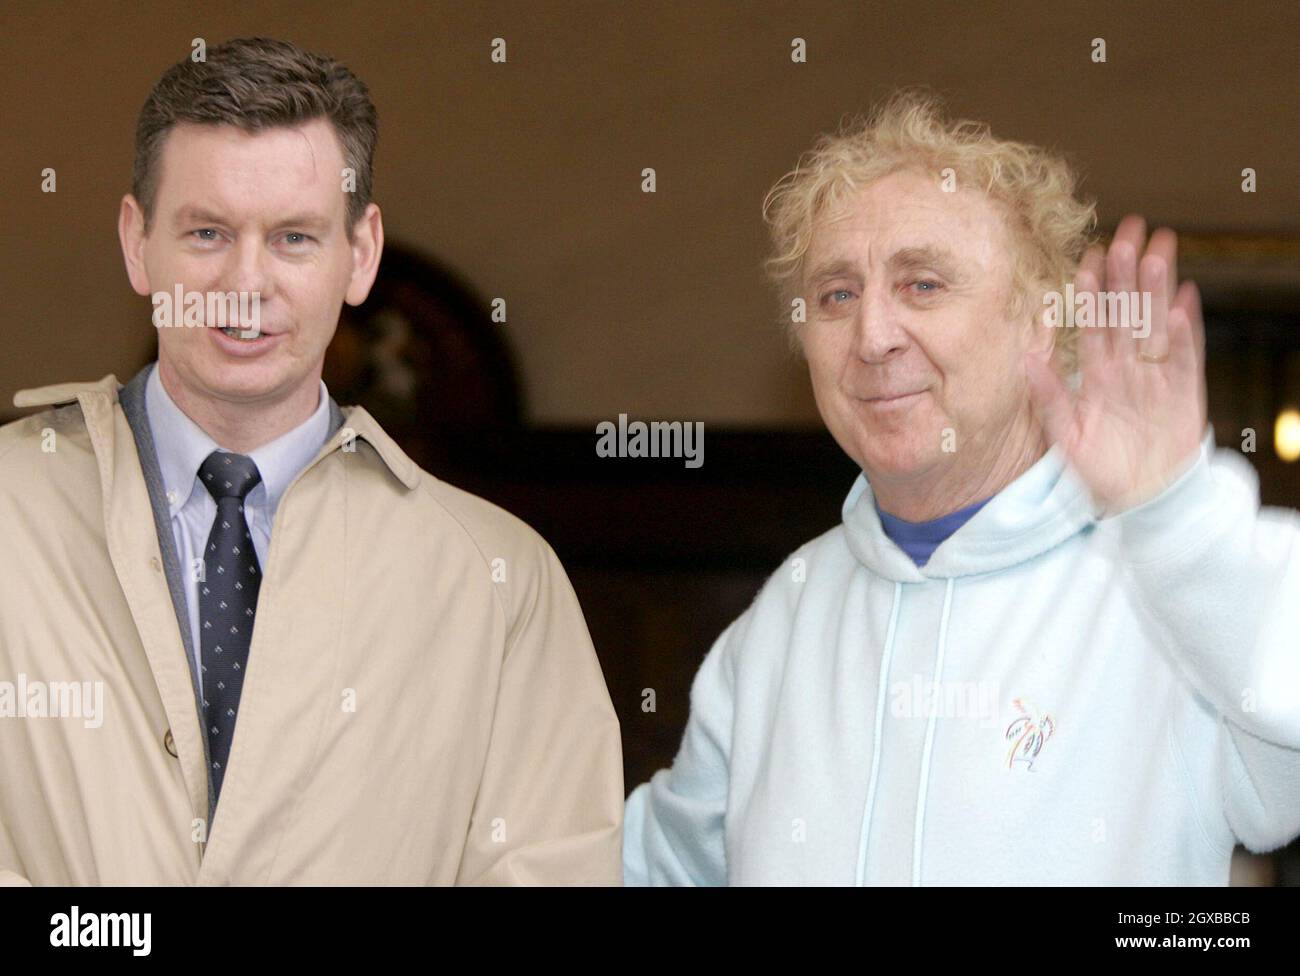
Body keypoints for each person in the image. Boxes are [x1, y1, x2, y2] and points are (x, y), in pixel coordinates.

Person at [623, 90, 1300, 885]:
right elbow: (658, 868)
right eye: (837, 295)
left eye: (923, 285)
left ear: (1042, 323)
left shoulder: (1168, 587)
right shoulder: (789, 611)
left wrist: (1175, 517)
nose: (872, 337)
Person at [0, 37, 622, 885]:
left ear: (359, 254)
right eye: (208, 231)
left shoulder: (498, 582)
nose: (246, 284)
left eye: (294, 238)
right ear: (137, 241)